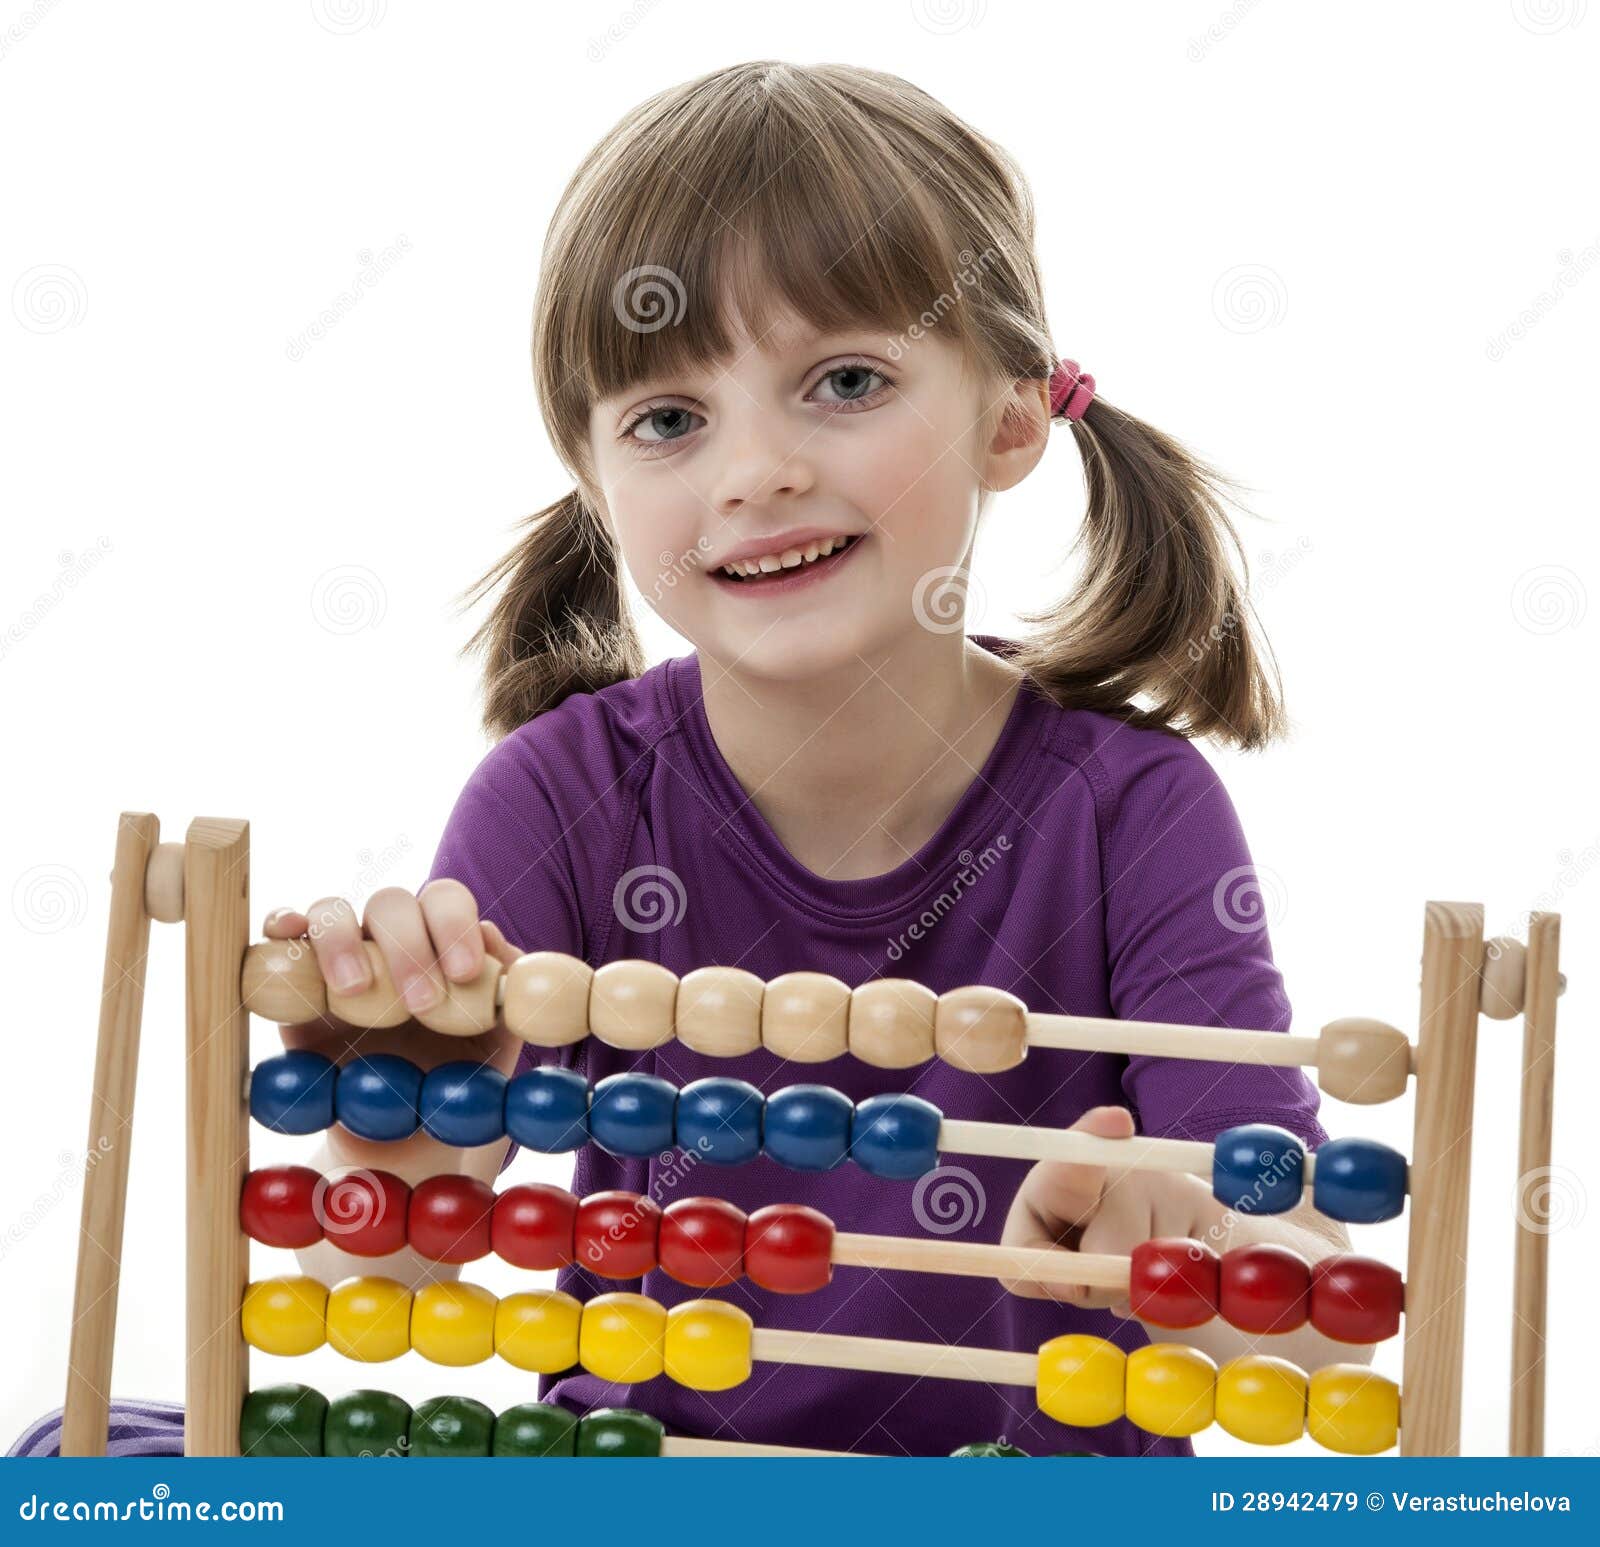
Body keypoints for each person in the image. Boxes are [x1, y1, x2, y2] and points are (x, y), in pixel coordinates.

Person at [15, 60, 1365, 1460]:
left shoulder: (1129, 814)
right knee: (92, 1455)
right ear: (601, 482)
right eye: (670, 419)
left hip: (1014, 1500)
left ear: (1012, 416)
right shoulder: (563, 798)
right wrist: (403, 1108)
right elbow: (375, 1281)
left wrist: (1199, 1228)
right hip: (645, 1488)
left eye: (845, 381)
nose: (756, 470)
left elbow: (1317, 1289)